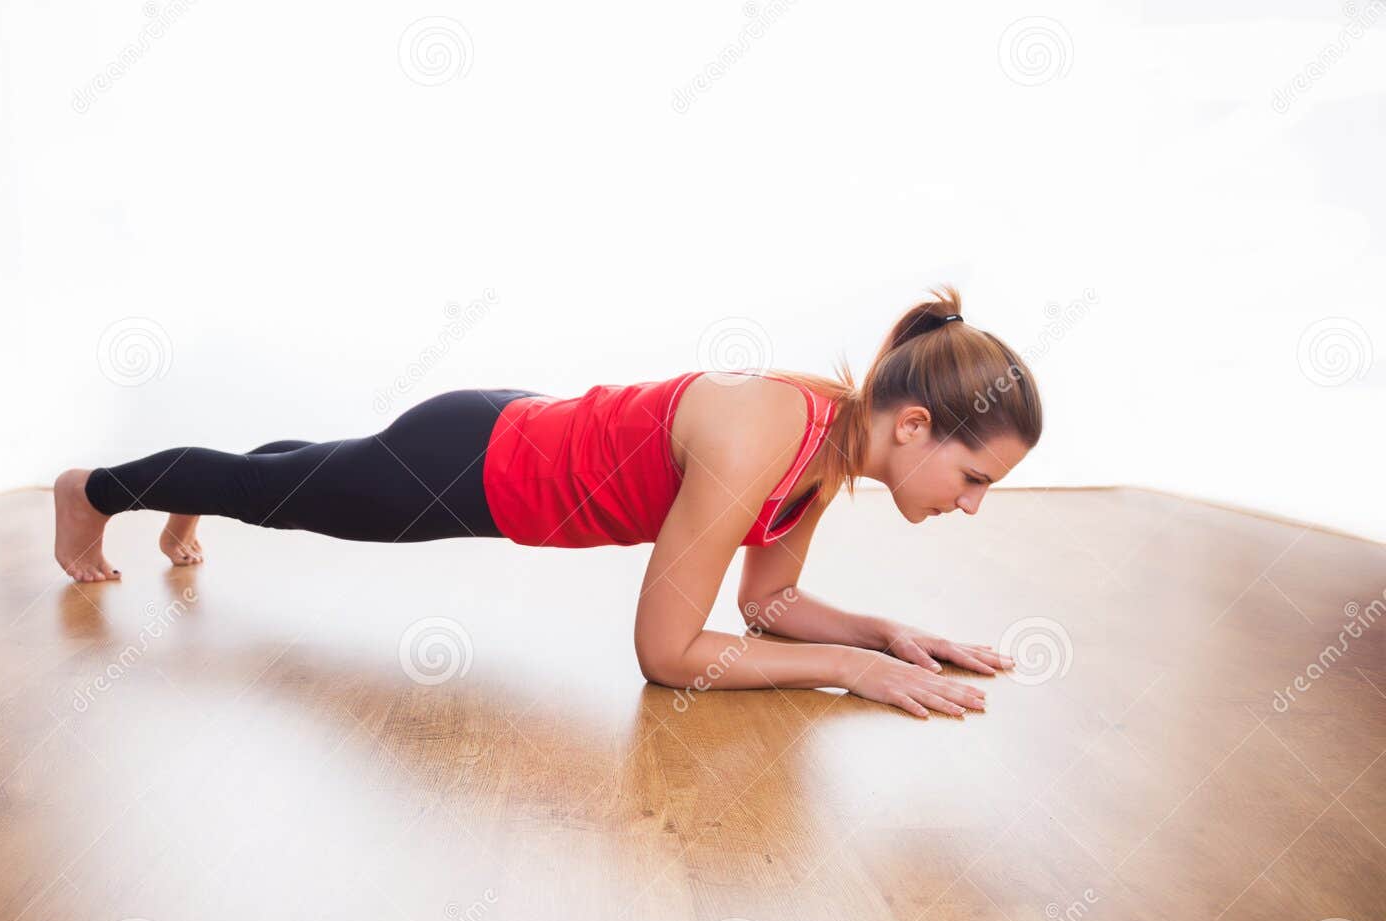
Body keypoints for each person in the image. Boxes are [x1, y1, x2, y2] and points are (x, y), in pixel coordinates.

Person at [53, 285, 1041, 718]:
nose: (970, 506)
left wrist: (883, 637)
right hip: (474, 465)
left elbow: (763, 607)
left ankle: (204, 498)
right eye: (973, 479)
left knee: (297, 479)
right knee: (283, 491)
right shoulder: (769, 436)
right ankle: (92, 491)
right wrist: (846, 675)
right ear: (912, 426)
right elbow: (665, 657)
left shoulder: (829, 447)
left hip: (502, 434)